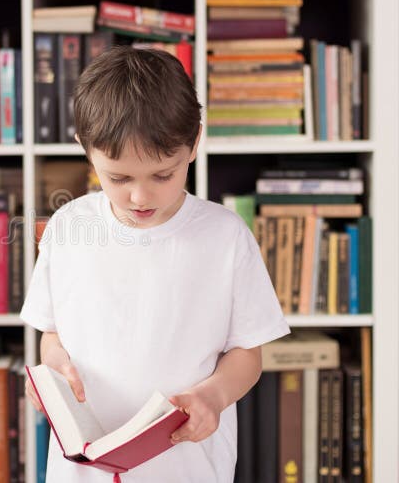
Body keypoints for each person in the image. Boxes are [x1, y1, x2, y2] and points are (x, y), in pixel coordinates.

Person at [21, 46, 290, 482]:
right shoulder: (67, 228)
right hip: (82, 470)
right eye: (118, 178)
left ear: (194, 143)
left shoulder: (225, 237)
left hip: (186, 466)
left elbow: (248, 352)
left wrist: (214, 396)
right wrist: (53, 371)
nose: (140, 197)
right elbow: (53, 335)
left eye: (163, 175)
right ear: (86, 152)